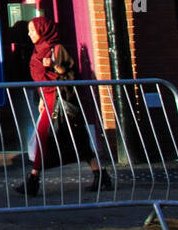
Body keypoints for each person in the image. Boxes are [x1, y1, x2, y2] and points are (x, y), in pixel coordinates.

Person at [15, 15, 111, 195]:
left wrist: (54, 66)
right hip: (49, 98)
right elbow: (41, 80)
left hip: (60, 100)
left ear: (43, 30)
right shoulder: (37, 51)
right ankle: (101, 174)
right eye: (29, 31)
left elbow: (71, 75)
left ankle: (33, 180)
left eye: (32, 31)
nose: (29, 34)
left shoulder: (56, 49)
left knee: (53, 137)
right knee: (72, 140)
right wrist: (42, 97)